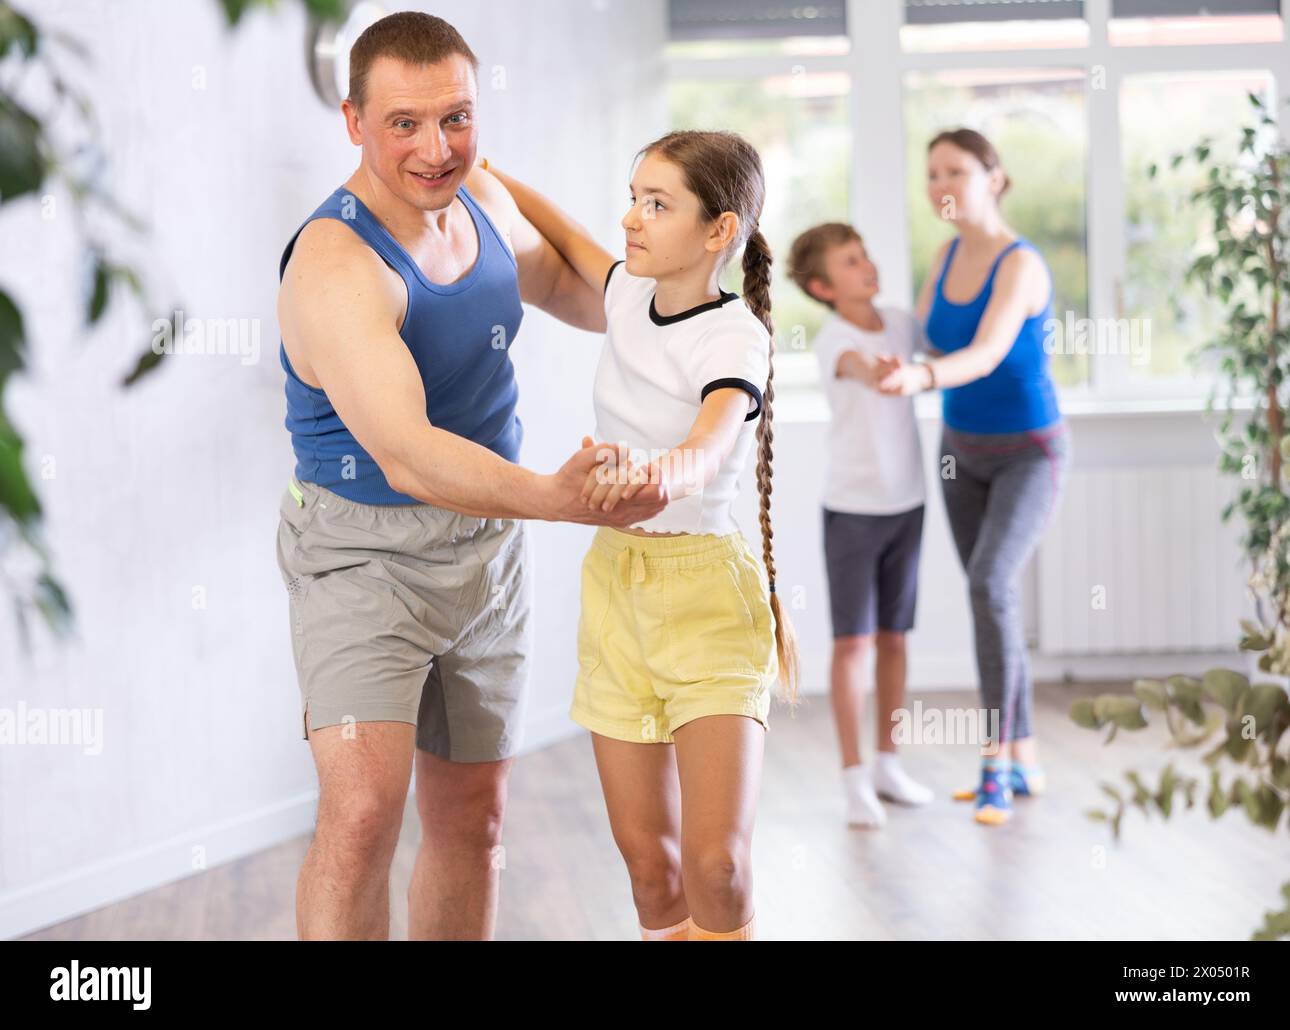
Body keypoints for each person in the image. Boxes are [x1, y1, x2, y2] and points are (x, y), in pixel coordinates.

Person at [274, 12, 668, 940]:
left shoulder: (483, 198)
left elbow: (576, 290)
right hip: (362, 556)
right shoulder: (336, 264)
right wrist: (558, 499)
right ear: (353, 122)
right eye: (404, 123)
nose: (435, 148)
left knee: (475, 819)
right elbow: (408, 455)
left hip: (486, 547)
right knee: (361, 818)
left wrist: (686, 310)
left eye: (455, 118)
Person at [483, 129, 800, 940]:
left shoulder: (735, 336)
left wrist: (660, 478)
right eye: (633, 198)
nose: (632, 218)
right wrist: (482, 170)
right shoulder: (629, 291)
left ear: (719, 231)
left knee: (717, 867)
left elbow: (710, 443)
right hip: (616, 590)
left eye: (657, 204)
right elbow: (563, 234)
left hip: (708, 598)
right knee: (650, 870)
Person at [876, 128, 1069, 826]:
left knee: (990, 586)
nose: (940, 185)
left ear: (993, 176)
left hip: (1029, 452)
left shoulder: (1021, 265)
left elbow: (985, 354)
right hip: (961, 451)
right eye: (931, 173)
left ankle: (995, 764)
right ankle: (1025, 754)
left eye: (955, 170)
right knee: (994, 599)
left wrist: (921, 378)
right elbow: (926, 336)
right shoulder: (946, 254)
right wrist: (862, 333)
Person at [787, 223, 934, 829]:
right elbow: (857, 367)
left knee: (895, 638)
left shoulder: (900, 322)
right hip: (852, 512)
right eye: (850, 261)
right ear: (823, 287)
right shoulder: (834, 342)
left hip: (908, 504)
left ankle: (887, 764)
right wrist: (880, 371)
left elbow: (941, 340)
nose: (866, 265)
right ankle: (853, 778)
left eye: (865, 254)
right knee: (854, 643)